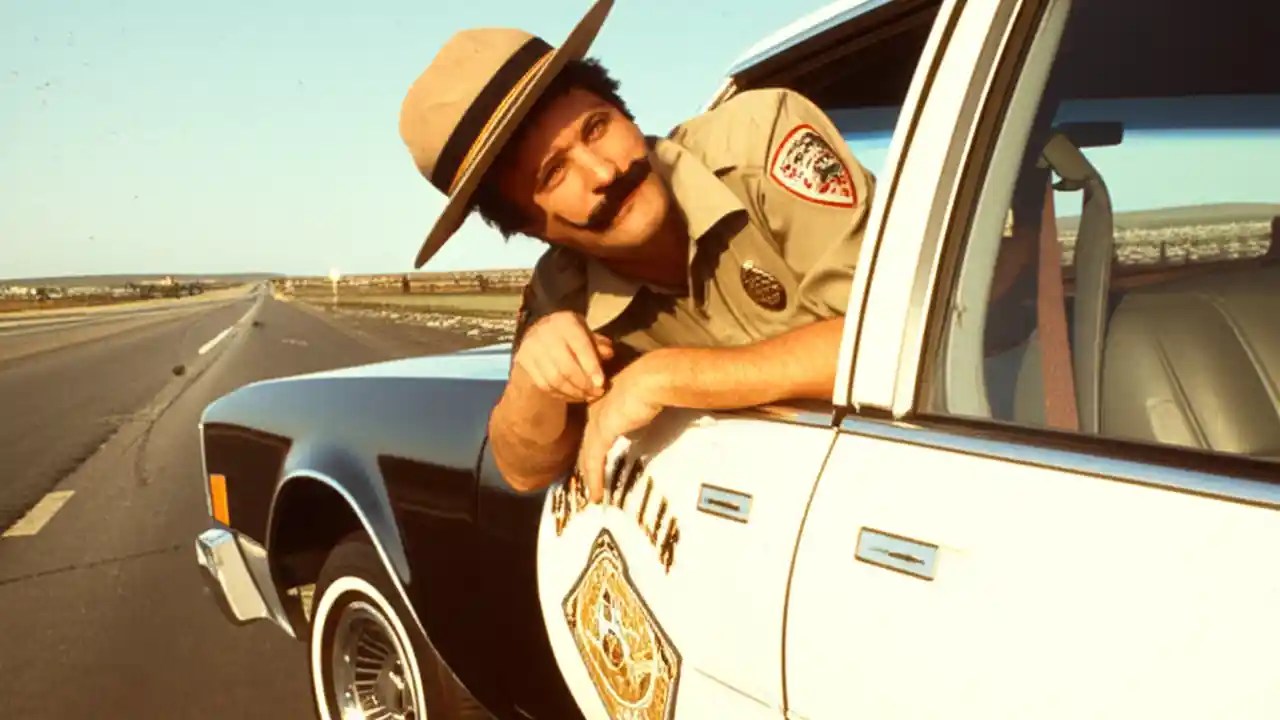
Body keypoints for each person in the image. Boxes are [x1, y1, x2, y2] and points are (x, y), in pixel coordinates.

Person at [397, 0, 874, 502]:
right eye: (554, 173)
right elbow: (524, 471)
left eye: (597, 128)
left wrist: (667, 375)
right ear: (529, 226)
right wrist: (532, 382)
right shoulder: (562, 292)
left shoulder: (760, 140)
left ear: (624, 110)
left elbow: (901, 344)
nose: (604, 173)